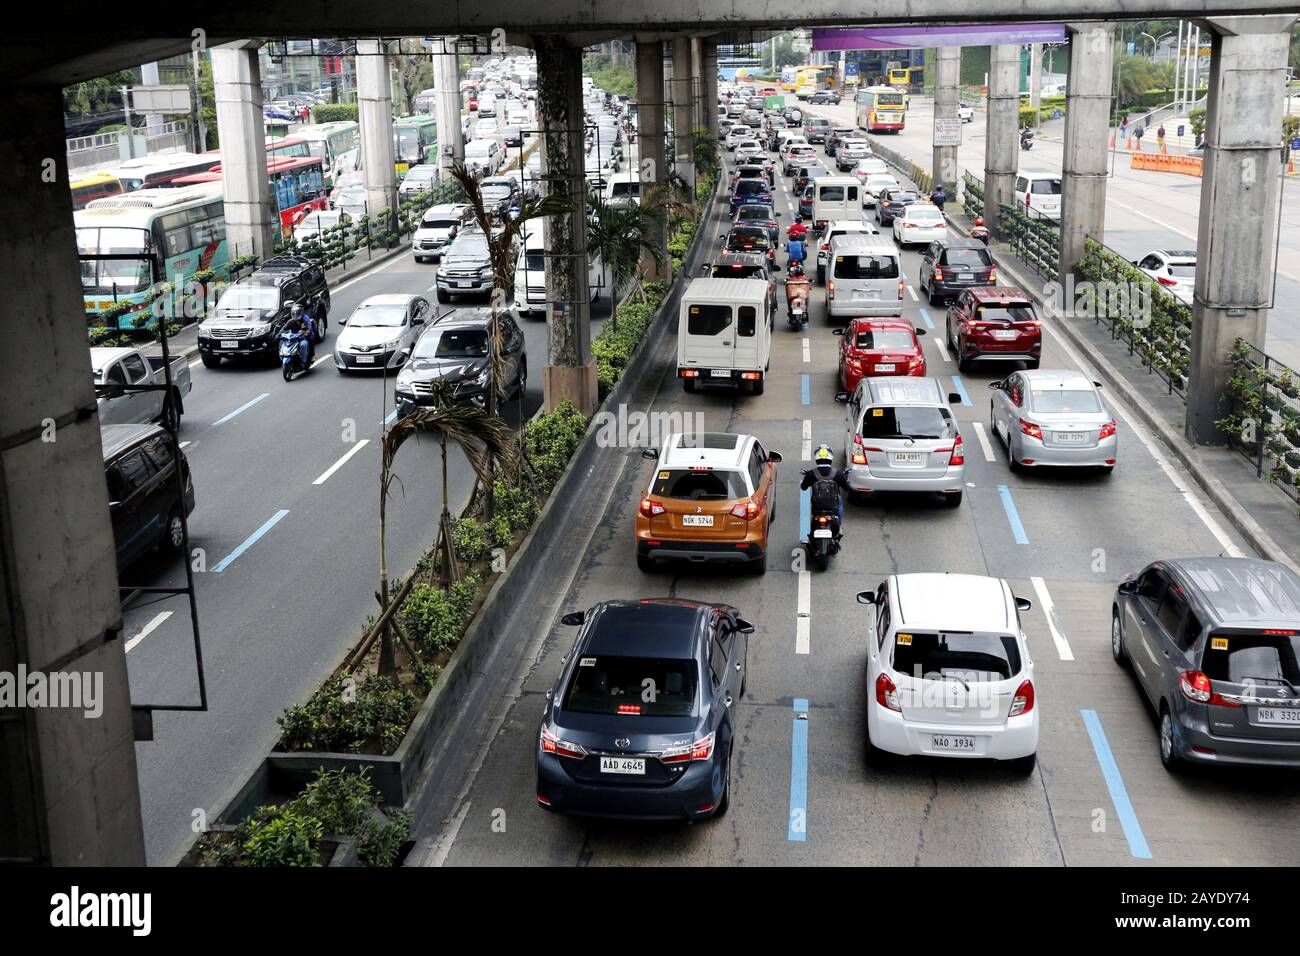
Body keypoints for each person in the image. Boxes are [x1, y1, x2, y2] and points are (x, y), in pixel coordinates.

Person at [800, 445, 847, 543]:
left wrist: (808, 477)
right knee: (840, 499)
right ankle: (839, 523)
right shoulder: (838, 474)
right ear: (831, 458)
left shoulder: (811, 474)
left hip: (817, 508)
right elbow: (847, 488)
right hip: (832, 508)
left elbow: (803, 488)